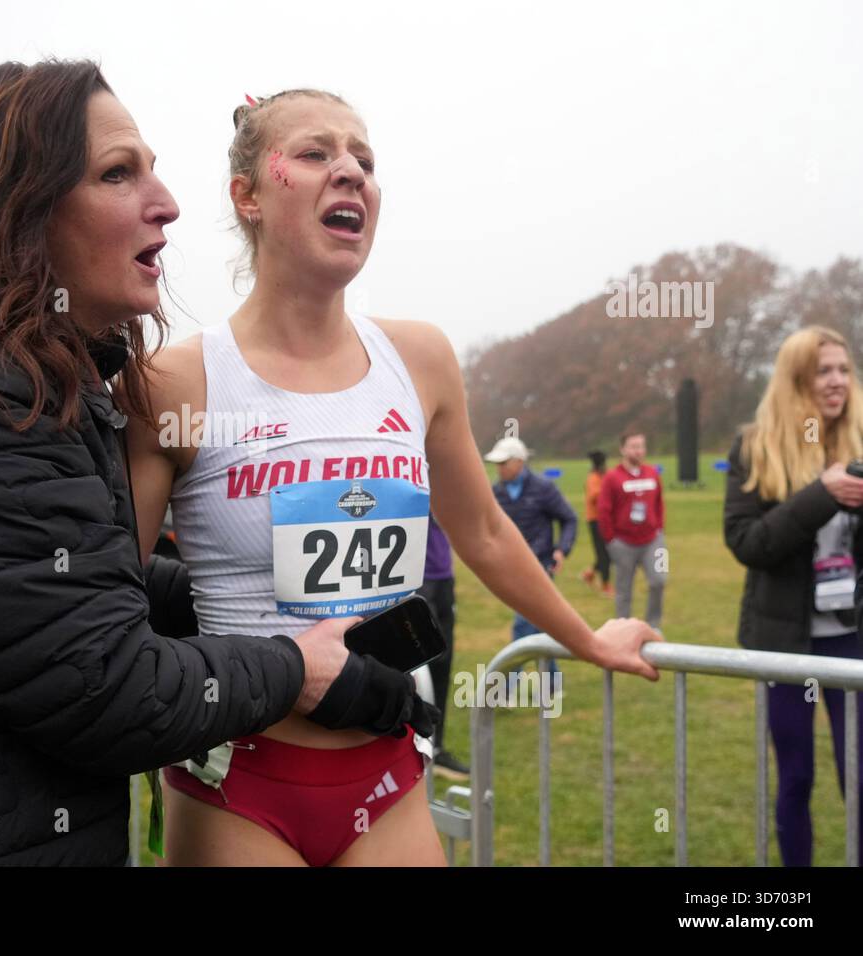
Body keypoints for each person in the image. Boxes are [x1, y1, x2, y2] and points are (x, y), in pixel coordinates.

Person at [0, 61, 431, 867]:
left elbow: (42, 589)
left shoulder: (22, 372)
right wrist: (295, 663)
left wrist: (233, 591)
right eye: (118, 174)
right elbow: (104, 688)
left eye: (154, 171)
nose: (167, 204)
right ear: (16, 211)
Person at [125, 88, 660, 867]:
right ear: (246, 196)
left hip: (387, 774)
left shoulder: (421, 360)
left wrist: (586, 639)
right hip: (235, 784)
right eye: (314, 153)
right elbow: (113, 597)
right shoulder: (173, 382)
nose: (351, 172)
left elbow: (480, 529)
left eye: (365, 160)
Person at [723, 325, 863, 866]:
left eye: (844, 370)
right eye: (824, 371)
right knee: (796, 776)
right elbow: (747, 543)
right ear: (796, 380)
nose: (837, 382)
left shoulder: (858, 439)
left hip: (852, 639)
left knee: (858, 773)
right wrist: (821, 495)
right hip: (786, 642)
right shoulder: (755, 447)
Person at [485, 435, 578, 682]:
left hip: (540, 565)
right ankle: (552, 683)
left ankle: (505, 688)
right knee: (542, 624)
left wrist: (562, 550)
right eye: (498, 463)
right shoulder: (496, 493)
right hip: (511, 568)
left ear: (519, 462)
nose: (500, 468)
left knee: (524, 625)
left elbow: (569, 518)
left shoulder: (543, 488)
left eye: (504, 463)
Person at [416, 514, 468, 780]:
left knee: (442, 667)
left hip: (442, 577)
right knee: (418, 669)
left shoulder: (442, 473)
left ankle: (436, 747)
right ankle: (418, 746)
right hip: (416, 580)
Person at [598, 429, 667, 629]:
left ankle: (654, 626)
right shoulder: (612, 477)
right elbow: (603, 511)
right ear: (622, 449)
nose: (639, 451)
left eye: (641, 446)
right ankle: (623, 629)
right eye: (634, 447)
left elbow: (659, 503)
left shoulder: (653, 472)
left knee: (659, 580)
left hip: (654, 541)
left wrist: (660, 529)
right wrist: (611, 540)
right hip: (623, 544)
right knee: (623, 591)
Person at [580, 449, 614, 595]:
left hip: (607, 519)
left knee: (609, 553)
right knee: (603, 553)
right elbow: (595, 497)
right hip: (595, 520)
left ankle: (589, 574)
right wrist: (608, 494)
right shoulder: (592, 478)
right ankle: (605, 585)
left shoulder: (605, 475)